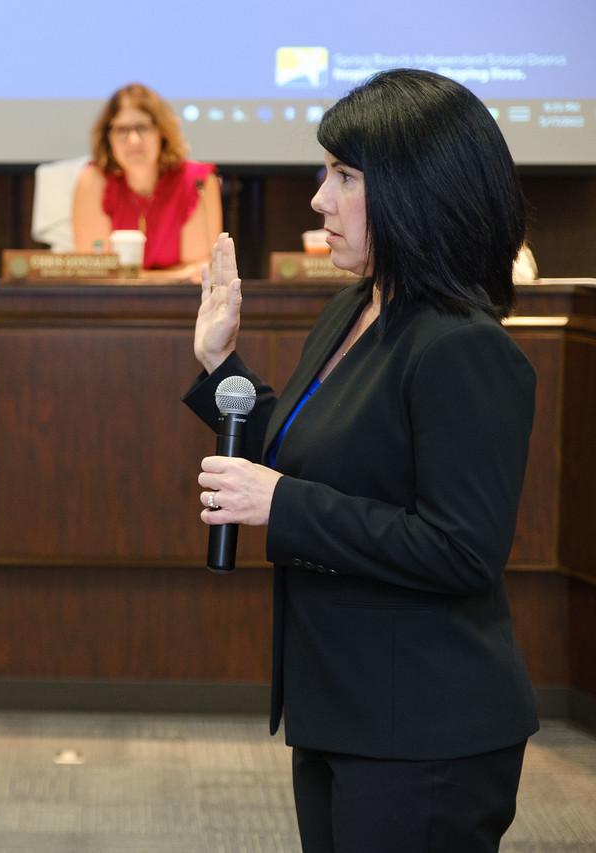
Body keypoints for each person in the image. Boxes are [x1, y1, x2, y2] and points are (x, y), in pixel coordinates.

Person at [185, 69, 537, 852]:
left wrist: (282, 505)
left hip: (424, 729)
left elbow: (461, 548)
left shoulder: (462, 346)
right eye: (326, 172)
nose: (319, 198)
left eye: (345, 177)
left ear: (417, 191)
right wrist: (222, 368)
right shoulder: (357, 306)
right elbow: (309, 450)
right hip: (342, 706)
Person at [72, 83, 221, 278]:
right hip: (112, 304)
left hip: (183, 305)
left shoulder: (197, 182)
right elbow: (94, 271)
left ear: (162, 132)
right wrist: (171, 277)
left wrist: (137, 278)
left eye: (143, 127)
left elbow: (202, 271)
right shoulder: (93, 180)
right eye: (121, 129)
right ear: (108, 137)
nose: (133, 140)